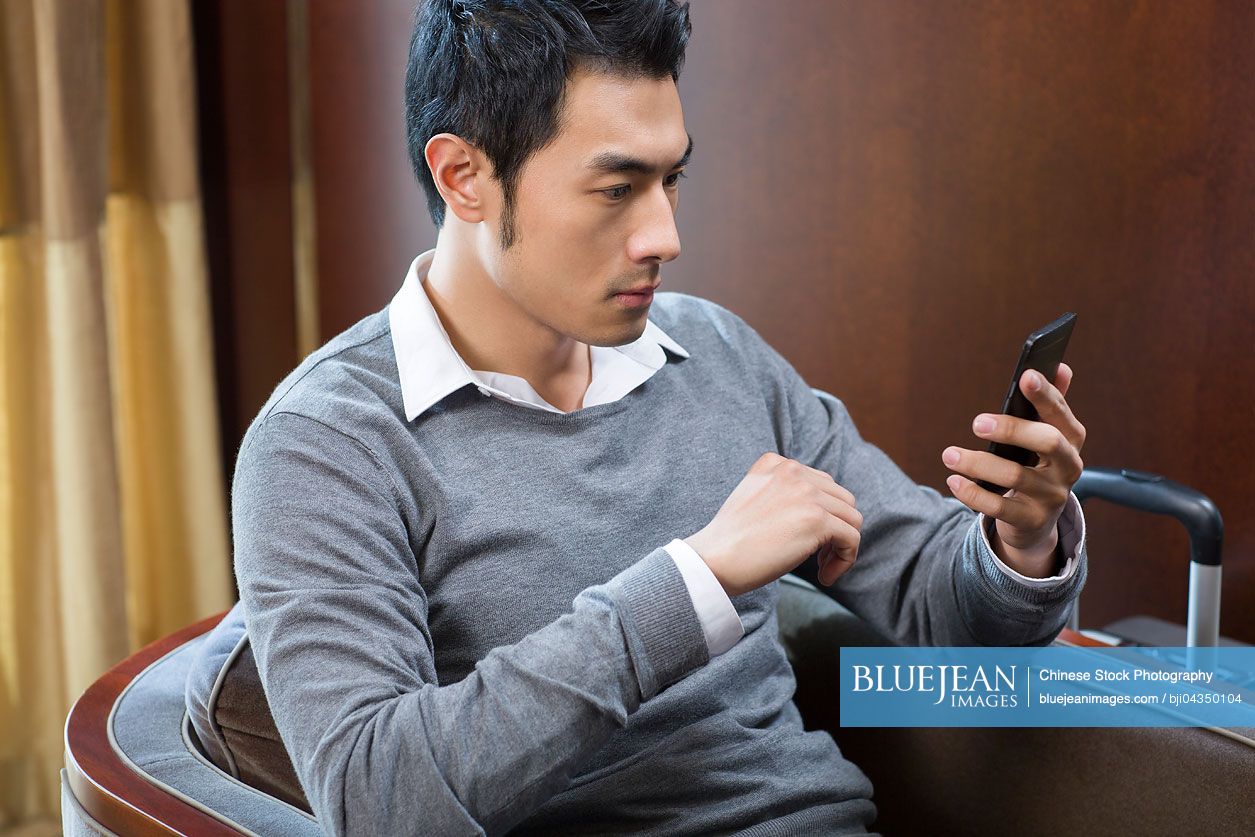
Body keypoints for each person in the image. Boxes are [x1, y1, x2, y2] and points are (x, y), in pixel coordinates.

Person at [186, 1, 1088, 833]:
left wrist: (1021, 541)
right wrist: (694, 579)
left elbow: (947, 608)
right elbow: (380, 795)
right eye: (617, 188)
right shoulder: (328, 443)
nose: (664, 235)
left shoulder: (717, 355)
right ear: (465, 176)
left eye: (670, 179)